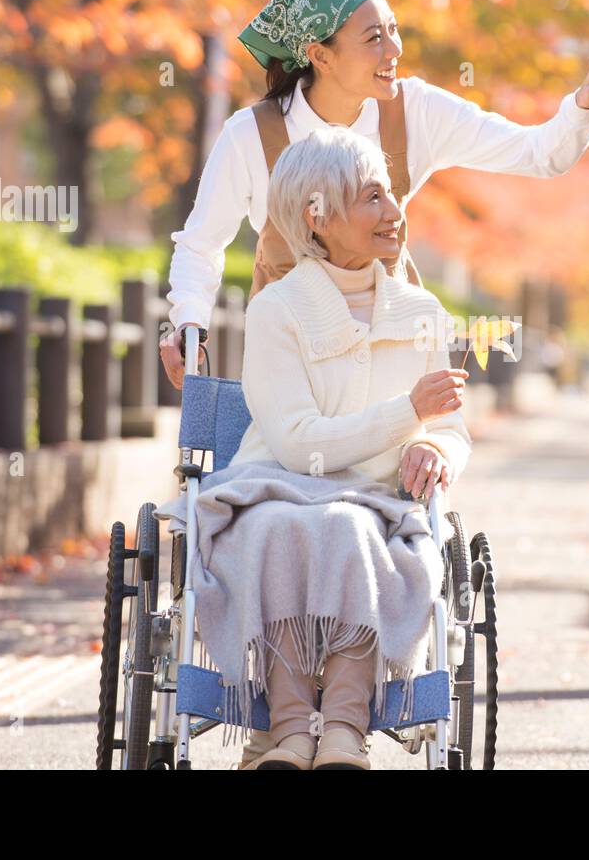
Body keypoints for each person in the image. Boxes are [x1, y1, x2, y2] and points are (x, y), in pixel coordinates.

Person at [157, 0, 589, 389]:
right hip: (290, 367)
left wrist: (584, 103)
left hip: (392, 361)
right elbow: (201, 246)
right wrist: (188, 322)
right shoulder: (251, 135)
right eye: (374, 38)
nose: (394, 49)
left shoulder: (415, 112)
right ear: (320, 56)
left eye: (393, 29)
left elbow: (538, 153)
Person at [157, 126, 472, 770]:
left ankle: (344, 733)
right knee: (280, 527)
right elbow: (298, 445)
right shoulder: (277, 309)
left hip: (379, 502)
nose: (394, 212)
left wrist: (437, 447)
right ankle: (291, 731)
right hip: (273, 486)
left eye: (390, 196)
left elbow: (451, 429)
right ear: (317, 215)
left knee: (351, 526)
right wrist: (407, 412)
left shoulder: (421, 311)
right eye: (373, 198)